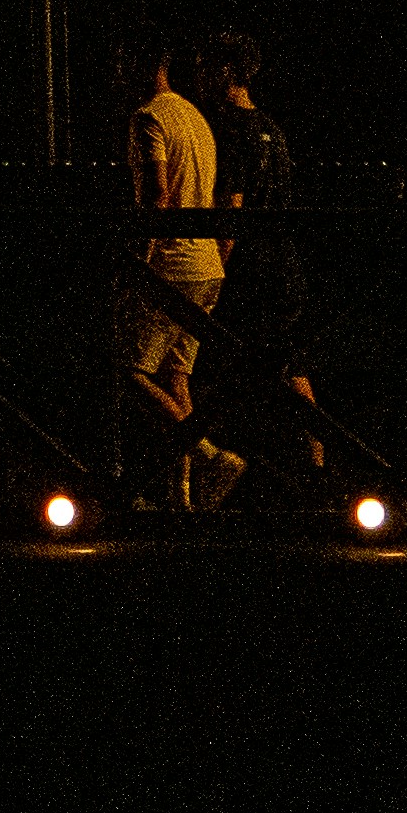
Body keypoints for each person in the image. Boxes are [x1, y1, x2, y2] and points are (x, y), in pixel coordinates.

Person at [197, 28, 320, 485]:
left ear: (226, 71)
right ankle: (317, 465)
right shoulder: (272, 129)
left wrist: (220, 270)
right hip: (284, 264)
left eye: (207, 67)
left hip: (249, 271)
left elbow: (230, 208)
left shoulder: (228, 129)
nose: (201, 77)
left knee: (211, 367)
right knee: (291, 367)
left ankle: (206, 466)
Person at [119, 33, 237, 509]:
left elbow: (156, 197)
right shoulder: (195, 117)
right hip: (207, 264)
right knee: (176, 378)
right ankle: (182, 495)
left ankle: (207, 454)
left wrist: (139, 265)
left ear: (142, 67)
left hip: (171, 265)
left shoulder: (149, 118)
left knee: (129, 371)